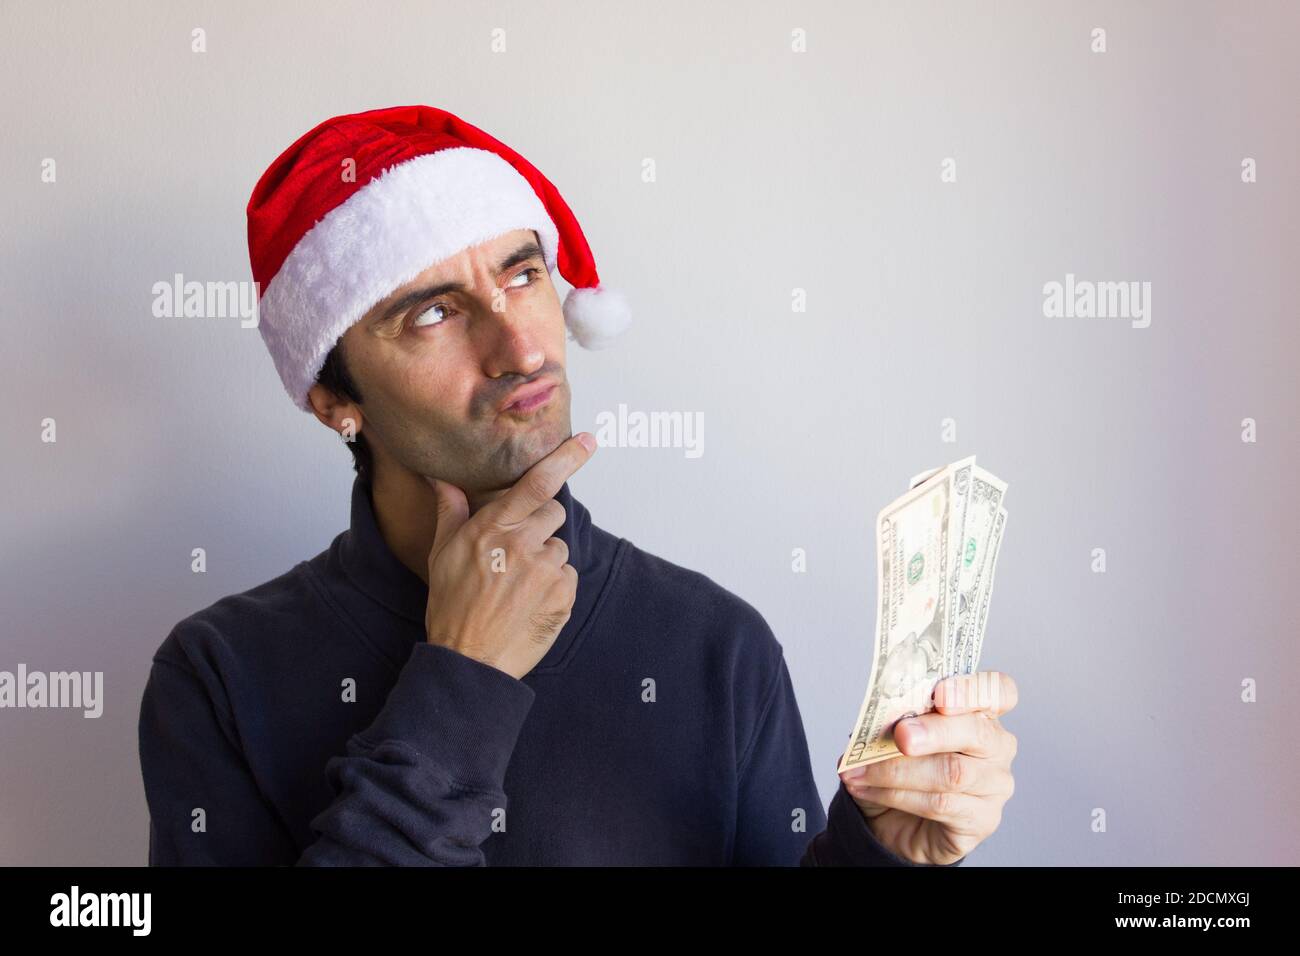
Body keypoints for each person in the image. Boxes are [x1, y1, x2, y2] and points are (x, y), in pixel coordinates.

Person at [137, 105, 1017, 866]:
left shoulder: (716, 644)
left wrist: (882, 857)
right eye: (433, 311)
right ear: (336, 402)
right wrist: (462, 679)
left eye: (523, 274)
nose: (522, 348)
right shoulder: (218, 676)